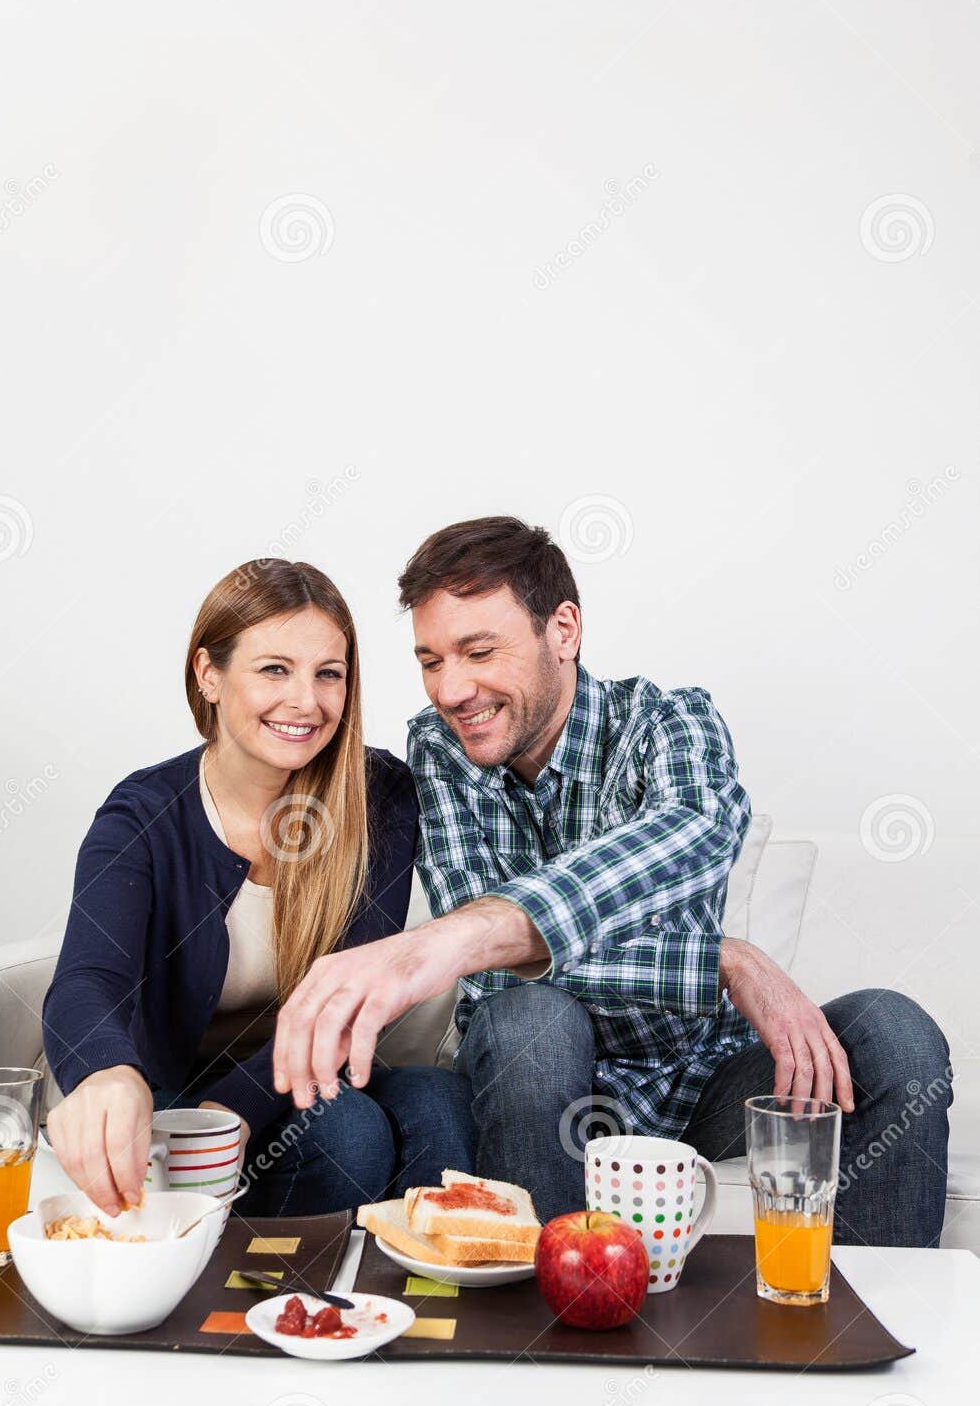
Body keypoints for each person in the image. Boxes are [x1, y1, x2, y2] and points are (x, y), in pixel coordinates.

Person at [271, 517, 952, 1247]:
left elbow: (688, 836)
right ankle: (545, 1326)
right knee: (532, 1016)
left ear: (562, 630)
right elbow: (497, 981)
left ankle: (860, 1328)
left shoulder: (671, 723)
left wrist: (479, 936)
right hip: (530, 1080)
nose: (452, 688)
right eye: (431, 660)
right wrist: (719, 962)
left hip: (699, 1077)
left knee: (894, 1031)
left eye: (477, 651)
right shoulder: (438, 749)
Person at [42, 558, 475, 1218]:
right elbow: (85, 979)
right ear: (208, 674)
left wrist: (233, 1114)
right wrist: (108, 1075)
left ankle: (419, 1299)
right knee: (348, 1134)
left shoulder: (377, 797)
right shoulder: (146, 813)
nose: (306, 701)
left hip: (300, 1079)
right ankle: (265, 1301)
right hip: (171, 1091)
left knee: (436, 1100)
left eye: (327, 674)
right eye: (275, 669)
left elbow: (349, 1004)